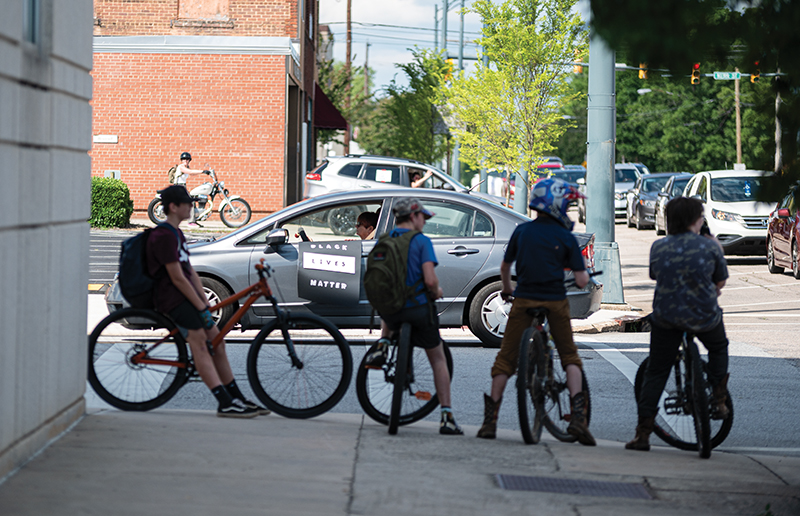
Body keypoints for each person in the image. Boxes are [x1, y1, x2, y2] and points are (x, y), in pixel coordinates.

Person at [477, 177, 595, 445]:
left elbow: (505, 267)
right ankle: (578, 418)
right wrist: (583, 278)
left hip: (524, 300)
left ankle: (489, 422)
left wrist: (507, 289)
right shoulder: (565, 236)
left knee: (505, 359)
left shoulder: (522, 231)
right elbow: (580, 279)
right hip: (555, 301)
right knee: (570, 357)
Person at [146, 185, 268, 418]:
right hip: (171, 299)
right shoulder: (163, 236)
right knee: (201, 345)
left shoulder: (177, 234)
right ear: (174, 207)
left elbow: (190, 272)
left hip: (185, 298)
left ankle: (237, 398)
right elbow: (177, 278)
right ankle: (224, 402)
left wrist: (204, 301)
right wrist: (200, 305)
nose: (191, 207)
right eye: (187, 203)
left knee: (217, 343)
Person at [626, 197, 730, 451]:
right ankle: (718, 397)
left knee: (657, 371)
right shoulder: (710, 246)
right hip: (704, 316)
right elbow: (720, 280)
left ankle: (643, 433)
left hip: (667, 317)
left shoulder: (659, 246)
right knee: (718, 347)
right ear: (696, 220)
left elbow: (655, 274)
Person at [364, 197, 463, 435]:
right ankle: (447, 417)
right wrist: (437, 291)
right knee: (438, 358)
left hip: (390, 312)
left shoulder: (384, 240)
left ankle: (384, 342)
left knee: (390, 299)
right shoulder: (421, 241)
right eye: (423, 217)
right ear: (413, 216)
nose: (424, 222)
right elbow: (429, 280)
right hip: (417, 310)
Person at [174, 152, 206, 227]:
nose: (186, 160)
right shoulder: (181, 167)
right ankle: (191, 222)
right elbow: (190, 172)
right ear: (181, 160)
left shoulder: (187, 167)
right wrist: (203, 171)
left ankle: (194, 219)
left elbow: (192, 173)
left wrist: (204, 173)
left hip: (183, 186)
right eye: (184, 159)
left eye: (187, 159)